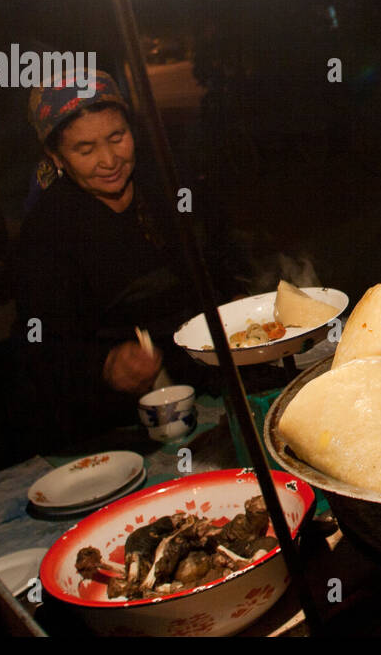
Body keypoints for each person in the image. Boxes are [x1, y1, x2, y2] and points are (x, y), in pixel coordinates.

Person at [12, 70, 225, 450]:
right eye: (85, 149)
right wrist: (105, 365)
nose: (109, 160)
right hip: (117, 425)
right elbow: (41, 350)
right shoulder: (48, 230)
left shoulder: (167, 187)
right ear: (55, 155)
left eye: (117, 138)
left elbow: (220, 268)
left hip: (208, 387)